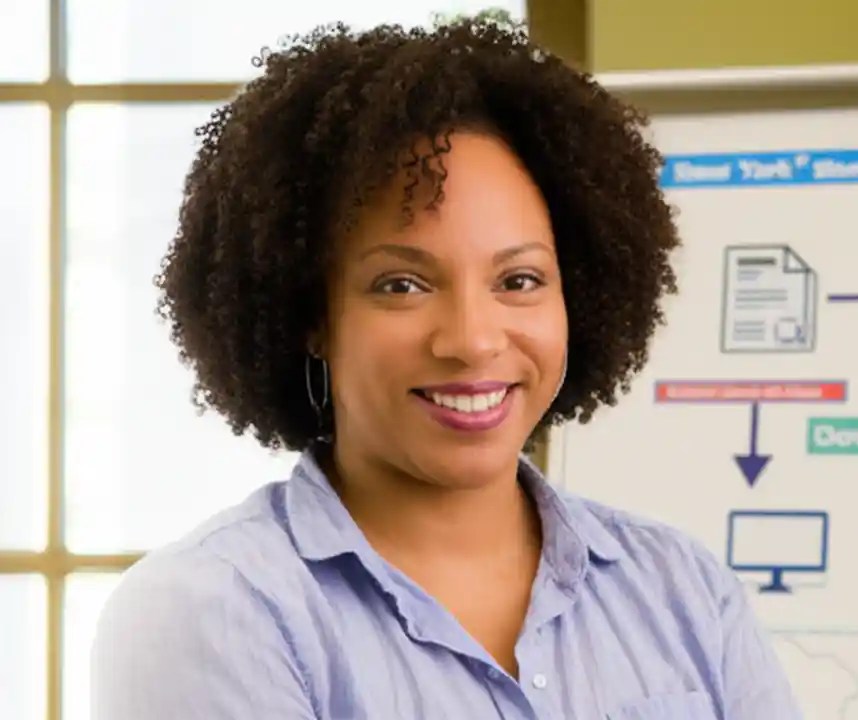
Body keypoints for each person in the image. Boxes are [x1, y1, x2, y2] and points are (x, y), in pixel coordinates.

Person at [90, 13, 802, 720]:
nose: (472, 340)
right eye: (402, 285)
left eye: (519, 280)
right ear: (311, 313)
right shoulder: (212, 613)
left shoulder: (685, 593)